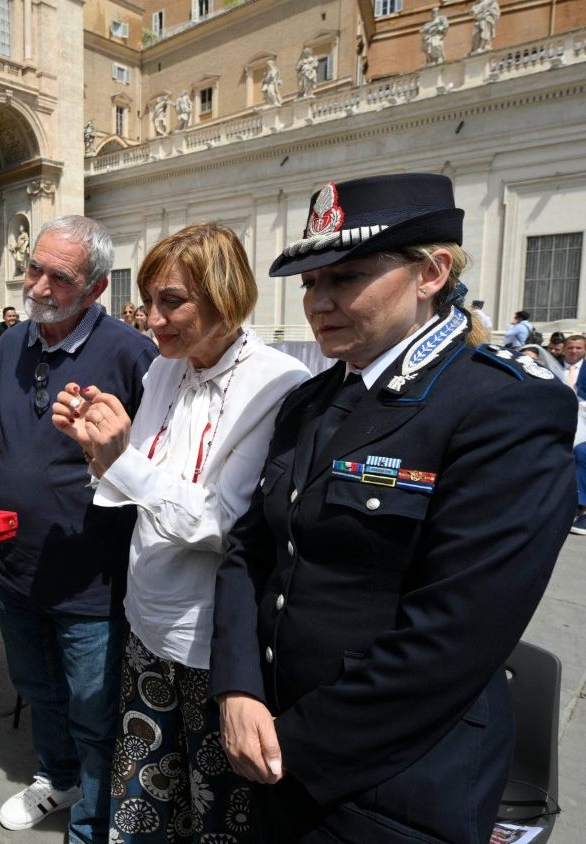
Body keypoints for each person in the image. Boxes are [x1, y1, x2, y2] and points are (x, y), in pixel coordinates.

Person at [210, 173, 575, 842]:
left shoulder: (502, 406)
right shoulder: (310, 401)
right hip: (269, 740)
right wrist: (238, 688)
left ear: (431, 273)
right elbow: (251, 548)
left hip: (395, 779)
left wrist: (297, 743)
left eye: (346, 277)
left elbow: (456, 632)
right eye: (310, 283)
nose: (319, 303)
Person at [51, 223, 309, 843]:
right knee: (146, 794)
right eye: (149, 301)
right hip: (147, 621)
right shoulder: (165, 369)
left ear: (225, 297)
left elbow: (222, 523)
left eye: (172, 301)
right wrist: (98, 445)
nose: (152, 319)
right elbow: (138, 486)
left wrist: (121, 460)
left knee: (213, 806)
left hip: (211, 638)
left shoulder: (278, 384)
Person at [0, 215, 158, 843]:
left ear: (95, 289)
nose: (37, 285)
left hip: (92, 578)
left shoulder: (131, 353)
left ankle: (93, 820)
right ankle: (55, 779)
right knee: (38, 689)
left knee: (93, 709)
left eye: (58, 278)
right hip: (16, 567)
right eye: (34, 268)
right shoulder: (10, 344)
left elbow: (151, 464)